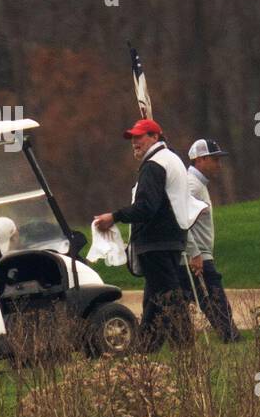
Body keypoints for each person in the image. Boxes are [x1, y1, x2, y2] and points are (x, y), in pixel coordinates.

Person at [93, 118, 200, 352]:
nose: (134, 142)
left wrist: (115, 216)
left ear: (155, 137)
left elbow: (146, 207)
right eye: (132, 138)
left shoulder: (153, 165)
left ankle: (186, 348)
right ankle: (145, 350)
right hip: (172, 239)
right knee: (154, 300)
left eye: (139, 137)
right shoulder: (172, 159)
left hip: (156, 242)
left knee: (169, 297)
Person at [184, 138, 241, 342]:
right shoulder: (191, 185)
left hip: (198, 255)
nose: (219, 164)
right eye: (215, 159)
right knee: (217, 301)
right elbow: (180, 220)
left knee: (182, 303)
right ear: (201, 160)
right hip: (198, 257)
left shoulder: (198, 184)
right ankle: (232, 339)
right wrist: (195, 253)